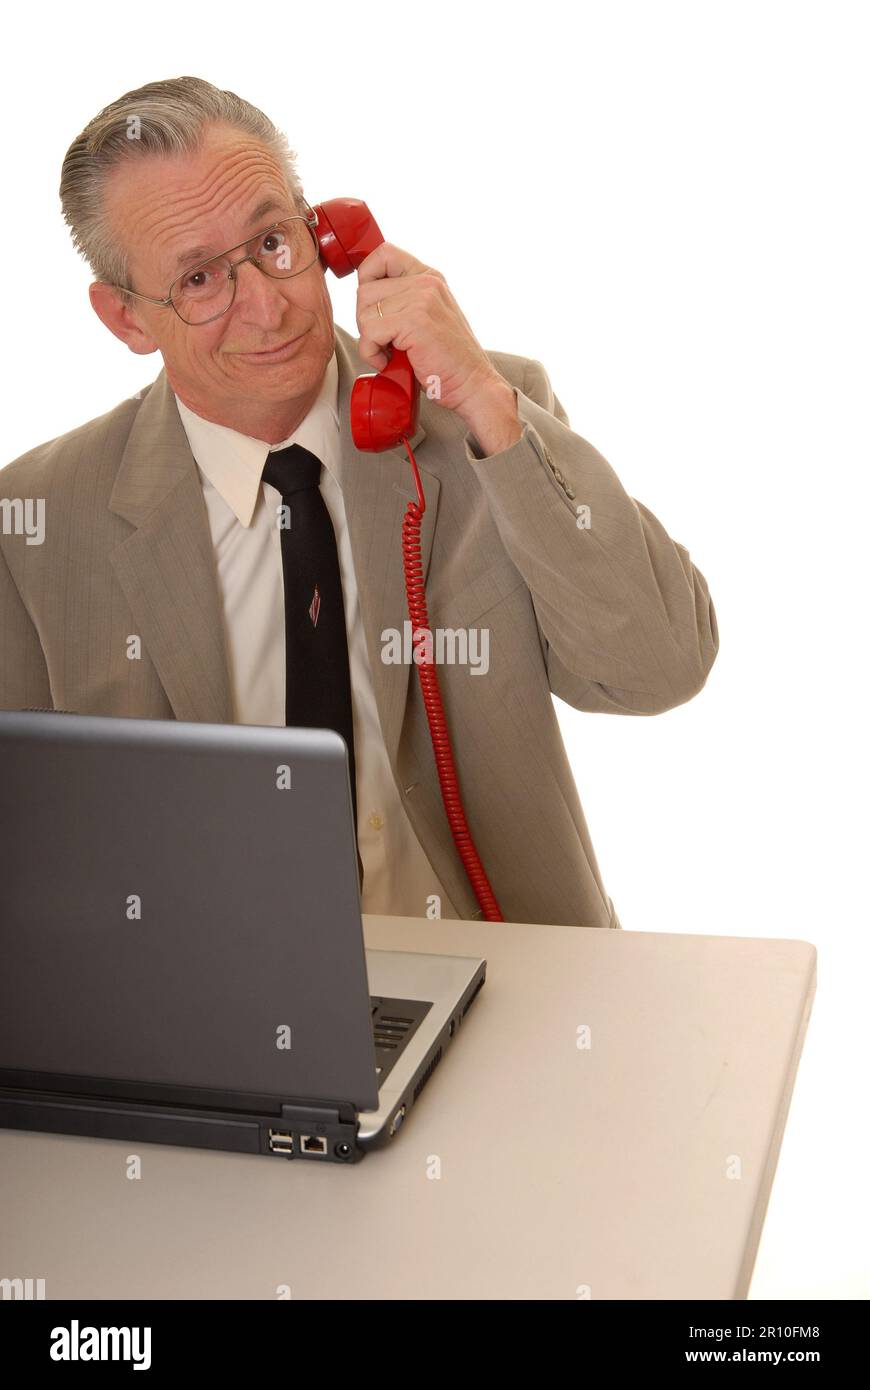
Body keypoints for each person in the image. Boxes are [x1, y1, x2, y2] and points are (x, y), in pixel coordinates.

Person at [0, 76, 719, 929]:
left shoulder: (482, 420)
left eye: (274, 241)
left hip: (510, 995)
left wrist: (484, 402)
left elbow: (660, 669)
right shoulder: (35, 520)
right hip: (204, 1023)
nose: (268, 307)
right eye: (199, 279)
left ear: (325, 233)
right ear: (124, 319)